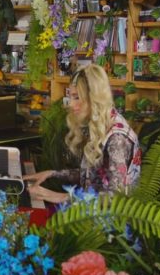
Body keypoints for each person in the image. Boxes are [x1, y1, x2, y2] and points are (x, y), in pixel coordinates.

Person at [23, 64, 141, 203]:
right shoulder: (101, 123)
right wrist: (53, 174)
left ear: (94, 98)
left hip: (111, 222)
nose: (71, 104)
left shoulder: (117, 138)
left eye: (77, 97)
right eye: (71, 97)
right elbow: (93, 175)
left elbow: (114, 198)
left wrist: (58, 197)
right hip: (89, 215)